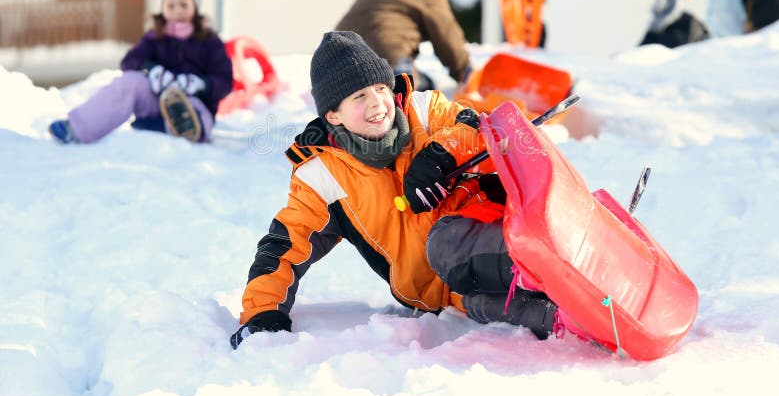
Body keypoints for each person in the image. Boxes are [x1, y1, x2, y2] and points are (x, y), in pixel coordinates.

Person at [230, 31, 573, 349]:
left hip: (492, 233)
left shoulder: (425, 112)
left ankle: (569, 262)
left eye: (380, 88)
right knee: (544, 316)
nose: (378, 102)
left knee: (445, 242)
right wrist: (262, 314)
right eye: (360, 96)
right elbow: (284, 247)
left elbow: (488, 130)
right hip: (452, 296)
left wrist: (442, 153)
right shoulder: (323, 176)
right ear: (333, 115)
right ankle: (585, 319)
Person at [48, 0, 233, 144]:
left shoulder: (209, 41)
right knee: (130, 82)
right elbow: (129, 61)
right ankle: (78, 128)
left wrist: (199, 84)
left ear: (195, 7)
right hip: (156, 100)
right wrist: (152, 71)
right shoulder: (155, 37)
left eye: (184, 5)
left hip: (195, 102)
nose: (178, 10)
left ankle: (179, 127)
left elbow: (224, 80)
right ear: (162, 9)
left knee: (189, 110)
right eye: (171, 5)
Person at [335, 0, 472, 91]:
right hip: (387, 60)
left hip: (338, 60)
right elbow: (447, 34)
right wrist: (465, 73)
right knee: (424, 91)